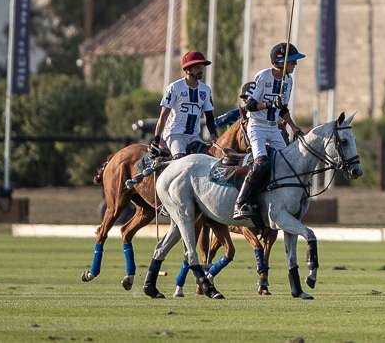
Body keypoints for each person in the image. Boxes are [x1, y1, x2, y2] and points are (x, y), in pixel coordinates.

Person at [233, 42, 306, 224]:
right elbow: (249, 105)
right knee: (262, 162)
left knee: (288, 162)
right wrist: (269, 104)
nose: (295, 65)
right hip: (256, 125)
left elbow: (283, 109)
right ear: (281, 62)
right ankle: (240, 203)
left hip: (273, 127)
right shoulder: (263, 76)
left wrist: (293, 126)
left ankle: (275, 199)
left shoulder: (288, 81)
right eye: (292, 61)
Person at [126, 50, 217, 189]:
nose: (201, 70)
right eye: (197, 67)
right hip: (175, 135)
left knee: (208, 162)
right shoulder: (175, 88)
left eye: (202, 67)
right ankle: (168, 200)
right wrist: (156, 139)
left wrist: (214, 136)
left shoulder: (205, 90)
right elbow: (163, 116)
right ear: (188, 69)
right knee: (180, 164)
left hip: (194, 136)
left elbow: (209, 116)